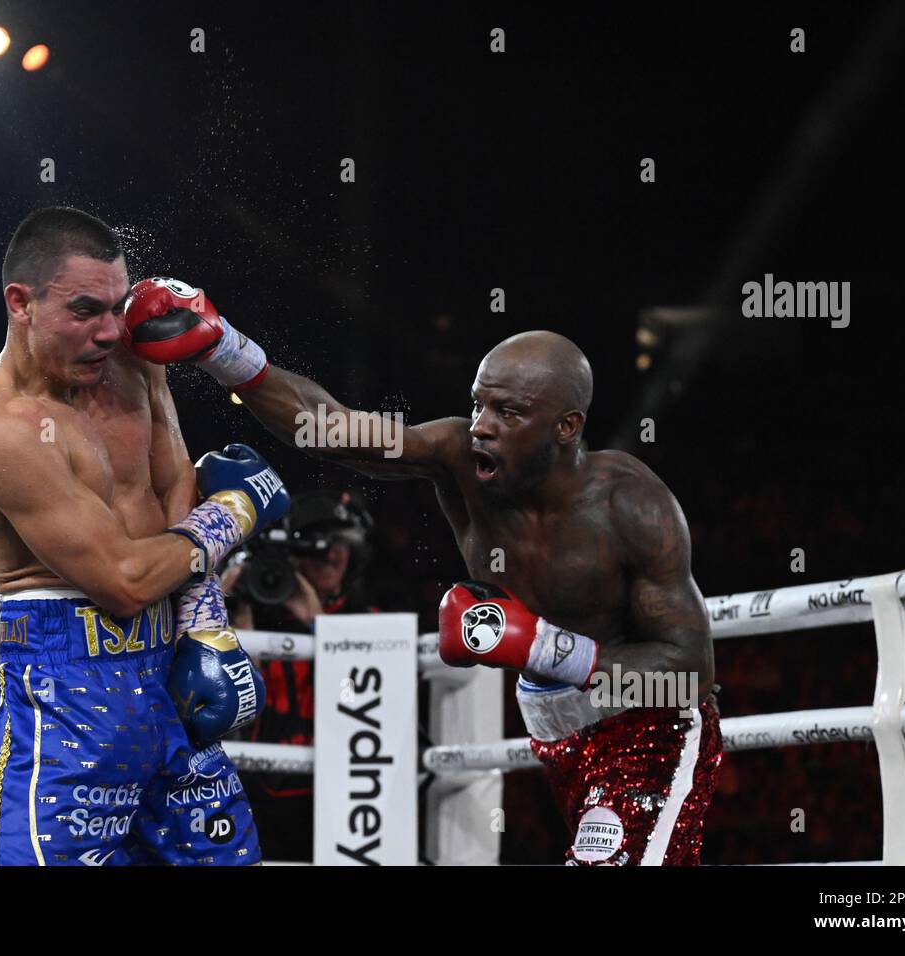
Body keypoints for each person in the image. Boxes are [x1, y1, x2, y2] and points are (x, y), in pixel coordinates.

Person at [122, 278, 721, 866]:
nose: (482, 424)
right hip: (556, 733)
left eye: (508, 412)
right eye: (478, 403)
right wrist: (222, 347)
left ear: (566, 427)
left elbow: (690, 672)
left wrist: (539, 645)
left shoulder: (631, 505)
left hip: (647, 730)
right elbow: (331, 428)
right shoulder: (459, 456)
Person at [0, 210, 289, 865]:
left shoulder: (133, 356)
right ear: (20, 303)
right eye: (85, 311)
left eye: (115, 306)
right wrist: (237, 515)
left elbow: (174, 487)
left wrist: (203, 618)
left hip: (166, 673)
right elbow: (126, 583)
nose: (110, 330)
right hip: (65, 698)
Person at [221, 489, 378, 862]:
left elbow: (360, 699)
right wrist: (224, 603)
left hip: (338, 793)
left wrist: (313, 617)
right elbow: (236, 700)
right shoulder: (260, 614)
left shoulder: (369, 621)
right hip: (254, 788)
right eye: (317, 548)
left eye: (337, 545)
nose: (330, 556)